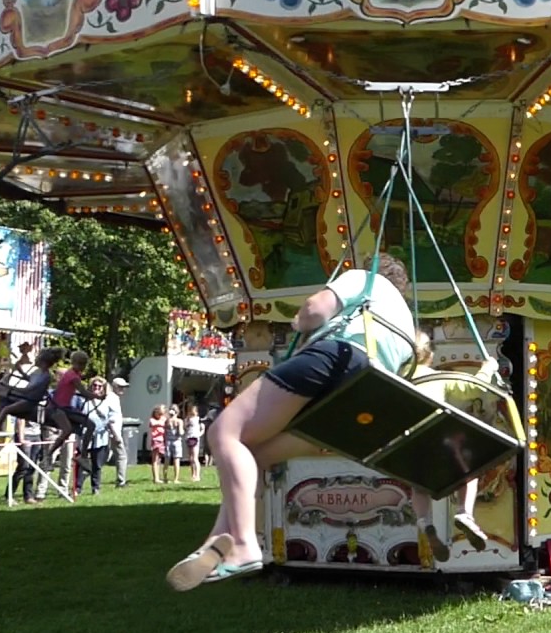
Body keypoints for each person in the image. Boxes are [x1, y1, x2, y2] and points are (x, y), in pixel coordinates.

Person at [166, 253, 414, 591]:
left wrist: (300, 321)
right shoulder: (405, 319)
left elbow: (316, 309)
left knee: (224, 432)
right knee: (254, 454)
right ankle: (222, 536)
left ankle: (244, 544)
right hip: (365, 400)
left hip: (336, 359)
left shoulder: (365, 277)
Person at [406, 331, 487, 563]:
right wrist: (488, 368)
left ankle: (424, 522)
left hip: (412, 446)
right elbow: (474, 388)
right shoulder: (437, 378)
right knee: (468, 472)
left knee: (419, 485)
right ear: (429, 356)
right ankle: (465, 514)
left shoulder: (398, 377)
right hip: (439, 442)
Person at [0, 348, 64, 445]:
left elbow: (28, 389)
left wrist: (8, 386)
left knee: (6, 410)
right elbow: (29, 379)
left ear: (43, 362)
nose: (35, 359)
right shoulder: (37, 372)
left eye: (37, 358)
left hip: (29, 401)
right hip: (23, 395)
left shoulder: (45, 376)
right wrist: (19, 370)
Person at [75, 377, 113, 496]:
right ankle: (78, 488)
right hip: (86, 436)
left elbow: (111, 418)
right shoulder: (84, 401)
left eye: (99, 386)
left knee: (97, 464)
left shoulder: (106, 402)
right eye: (94, 385)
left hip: (101, 436)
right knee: (83, 462)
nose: (96, 388)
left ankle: (95, 487)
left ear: (103, 389)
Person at [105, 377, 128, 487]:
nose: (123, 389)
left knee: (106, 457)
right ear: (114, 387)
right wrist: (115, 434)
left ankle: (121, 481)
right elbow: (108, 418)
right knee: (121, 456)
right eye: (121, 387)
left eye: (124, 387)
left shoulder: (114, 398)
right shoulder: (111, 398)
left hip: (113, 432)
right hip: (113, 433)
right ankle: (121, 482)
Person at [184, 402, 203, 482]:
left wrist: (200, 434)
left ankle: (197, 475)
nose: (192, 412)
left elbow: (202, 429)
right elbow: (185, 428)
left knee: (195, 458)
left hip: (195, 438)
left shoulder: (198, 419)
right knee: (190, 458)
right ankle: (193, 474)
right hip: (188, 438)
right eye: (190, 411)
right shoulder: (186, 419)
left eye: (193, 411)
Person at [148, 405, 166, 483]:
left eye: (162, 414)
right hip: (155, 441)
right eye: (159, 414)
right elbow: (153, 424)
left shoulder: (163, 419)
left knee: (159, 460)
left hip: (162, 441)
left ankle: (158, 477)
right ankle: (155, 478)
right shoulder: (152, 420)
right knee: (155, 459)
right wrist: (162, 422)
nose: (160, 416)